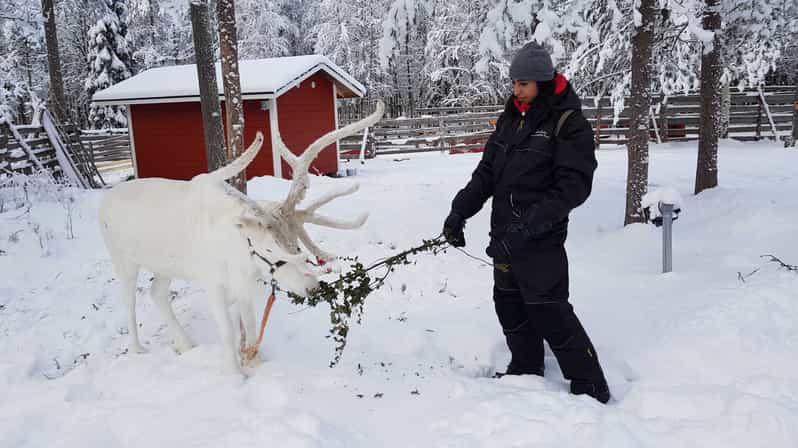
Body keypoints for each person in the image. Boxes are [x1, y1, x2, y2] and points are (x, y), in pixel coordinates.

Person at [442, 41, 611, 404]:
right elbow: (487, 173)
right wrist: (459, 212)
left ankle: (590, 384)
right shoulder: (511, 118)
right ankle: (526, 366)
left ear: (543, 82)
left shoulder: (568, 123)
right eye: (514, 82)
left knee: (549, 309)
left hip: (540, 239)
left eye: (523, 83)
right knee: (508, 302)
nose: (515, 89)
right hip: (504, 234)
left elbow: (574, 187)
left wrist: (527, 229)